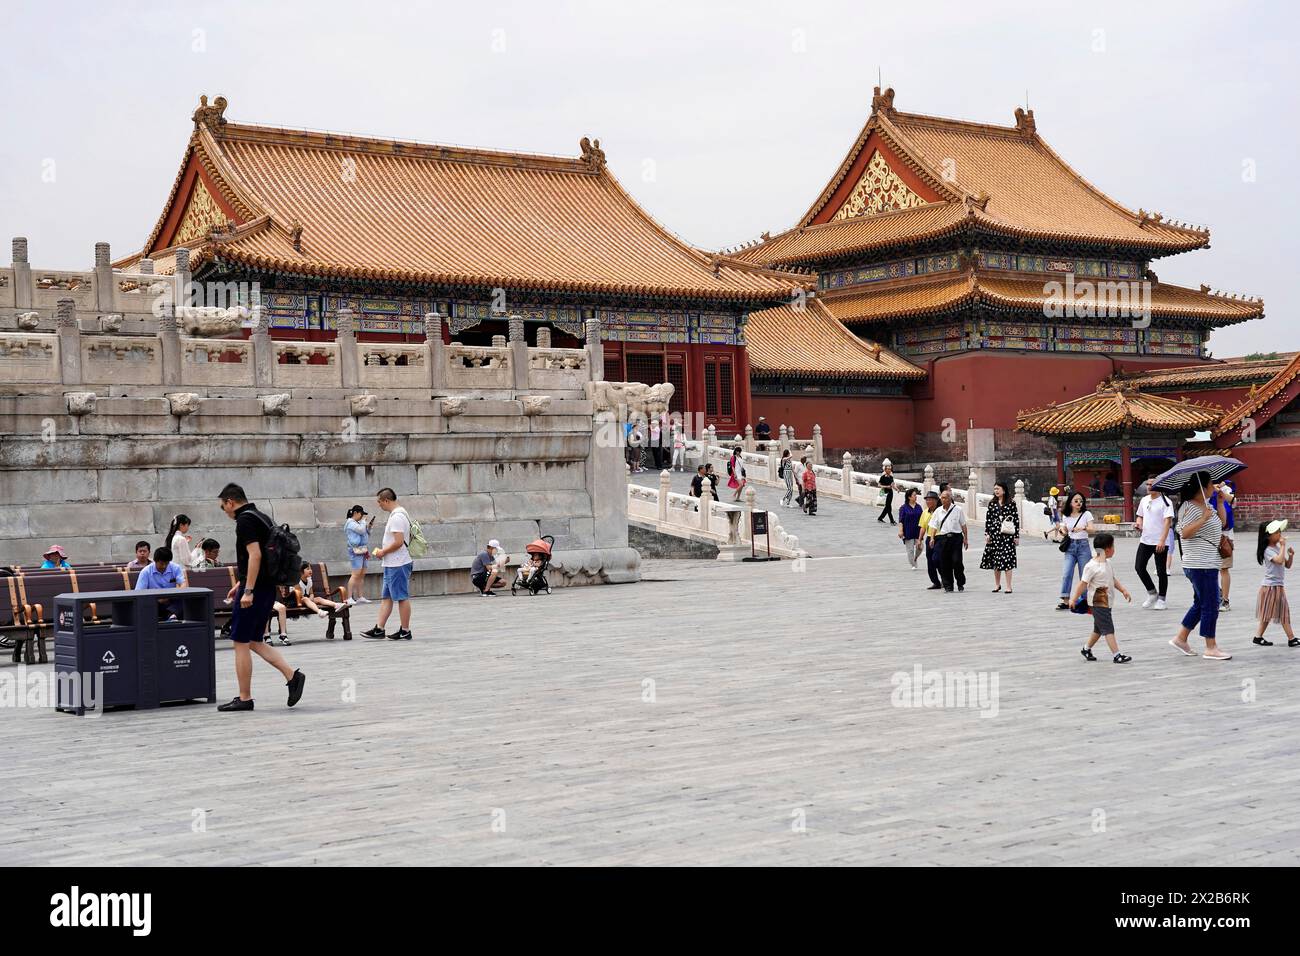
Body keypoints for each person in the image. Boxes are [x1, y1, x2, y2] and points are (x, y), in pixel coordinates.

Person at [216, 482, 305, 712]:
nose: (224, 512)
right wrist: (242, 582)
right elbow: (264, 558)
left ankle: (244, 698)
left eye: (223, 507)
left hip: (255, 591)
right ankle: (292, 676)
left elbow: (254, 556)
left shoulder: (245, 520)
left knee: (240, 642)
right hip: (266, 587)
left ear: (230, 502)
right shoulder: (261, 516)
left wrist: (248, 590)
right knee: (254, 640)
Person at [1170, 473, 1231, 661]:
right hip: (1199, 563)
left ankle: (1181, 638)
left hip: (1208, 562)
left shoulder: (1207, 505)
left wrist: (1220, 503)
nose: (1214, 487)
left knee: (1201, 603)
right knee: (1211, 605)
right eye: (1211, 484)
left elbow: (1222, 523)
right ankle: (1210, 646)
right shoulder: (1188, 507)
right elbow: (1184, 533)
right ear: (1202, 488)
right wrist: (1203, 518)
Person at [1070, 532, 1133, 664]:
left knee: (1099, 628)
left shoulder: (1107, 563)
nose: (1114, 549)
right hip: (1098, 601)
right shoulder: (1091, 566)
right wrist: (1073, 598)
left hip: (1107, 600)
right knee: (1108, 628)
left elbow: (1112, 579)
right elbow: (1083, 584)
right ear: (1107, 549)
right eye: (1113, 546)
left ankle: (1086, 649)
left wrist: (1123, 590)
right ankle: (1117, 655)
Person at [361, 488, 414, 640]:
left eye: (379, 502)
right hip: (392, 563)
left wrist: (383, 552)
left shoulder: (397, 517)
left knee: (401, 597)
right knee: (387, 597)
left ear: (386, 500)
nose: (379, 505)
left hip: (398, 563)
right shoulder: (400, 513)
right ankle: (379, 628)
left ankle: (405, 630)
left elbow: (398, 542)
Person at [1254, 520, 1297, 647]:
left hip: (1277, 586)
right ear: (1268, 536)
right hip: (1270, 587)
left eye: (1280, 532)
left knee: (1268, 614)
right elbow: (1278, 561)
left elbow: (1287, 565)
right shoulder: (1268, 550)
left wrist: (1291, 555)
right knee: (1282, 612)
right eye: (1277, 532)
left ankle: (1258, 637)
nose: (1280, 534)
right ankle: (1291, 639)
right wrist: (1283, 546)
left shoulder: (1277, 548)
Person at [1054, 493, 1096, 610]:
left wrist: (1083, 528)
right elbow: (1063, 528)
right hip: (1070, 547)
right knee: (1067, 573)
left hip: (1083, 546)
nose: (1079, 503)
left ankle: (1084, 600)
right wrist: (1063, 531)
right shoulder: (1066, 515)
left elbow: (1092, 530)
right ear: (1070, 502)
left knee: (1084, 575)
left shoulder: (1086, 514)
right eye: (1076, 500)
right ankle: (1066, 600)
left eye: (1081, 501)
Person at [1134, 487, 1173, 610]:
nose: (1149, 486)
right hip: (1145, 540)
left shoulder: (1166, 501)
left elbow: (1168, 522)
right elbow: (1140, 515)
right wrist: (1138, 523)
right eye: (1148, 483)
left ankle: (1162, 598)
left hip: (1160, 541)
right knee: (1139, 567)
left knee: (1161, 571)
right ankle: (1152, 592)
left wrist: (1162, 540)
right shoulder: (1144, 500)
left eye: (1152, 484)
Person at [980, 481, 1018, 593]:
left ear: (1004, 490)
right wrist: (987, 534)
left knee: (1007, 560)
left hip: (1007, 535)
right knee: (996, 560)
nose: (996, 491)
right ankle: (997, 584)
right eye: (995, 488)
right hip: (994, 534)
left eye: (998, 488)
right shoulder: (992, 503)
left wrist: (1016, 536)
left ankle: (1009, 586)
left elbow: (1015, 519)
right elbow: (988, 520)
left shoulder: (1011, 503)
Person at [133, 546, 185, 620]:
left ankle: (171, 616)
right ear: (155, 561)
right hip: (155, 601)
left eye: (166, 563)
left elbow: (183, 584)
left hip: (171, 599)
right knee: (148, 605)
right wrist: (156, 599)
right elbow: (139, 593)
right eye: (161, 563)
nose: (164, 566)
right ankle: (171, 616)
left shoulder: (175, 568)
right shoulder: (146, 571)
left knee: (183, 599)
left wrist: (172, 595)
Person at [932, 488, 968, 592]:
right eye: (941, 498)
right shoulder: (938, 511)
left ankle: (960, 582)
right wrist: (932, 538)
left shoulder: (958, 509)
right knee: (944, 563)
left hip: (956, 538)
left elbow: (963, 525)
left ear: (950, 498)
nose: (942, 500)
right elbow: (934, 525)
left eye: (945, 498)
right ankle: (948, 585)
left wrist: (966, 538)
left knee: (957, 561)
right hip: (943, 538)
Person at [1210, 478, 1236, 611]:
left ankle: (1225, 600)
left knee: (1224, 568)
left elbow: (1233, 502)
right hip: (1208, 536)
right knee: (1209, 570)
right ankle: (1217, 594)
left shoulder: (1227, 490)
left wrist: (1219, 491)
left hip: (1225, 536)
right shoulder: (1206, 492)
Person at [345, 505, 375, 605]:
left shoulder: (358, 523)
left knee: (361, 574)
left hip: (363, 550)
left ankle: (360, 596)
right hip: (355, 551)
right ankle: (349, 597)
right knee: (355, 575)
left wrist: (369, 527)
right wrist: (363, 522)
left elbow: (365, 532)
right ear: (356, 513)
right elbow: (361, 530)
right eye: (361, 514)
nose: (362, 517)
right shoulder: (350, 523)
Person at [920, 490, 942, 590]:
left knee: (937, 559)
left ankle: (945, 578)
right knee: (930, 561)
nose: (928, 502)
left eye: (930, 500)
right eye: (927, 500)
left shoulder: (941, 511)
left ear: (936, 501)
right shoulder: (925, 512)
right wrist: (919, 539)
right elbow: (923, 527)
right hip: (929, 538)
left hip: (940, 537)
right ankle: (935, 582)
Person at [897, 488, 923, 569]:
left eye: (916, 495)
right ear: (909, 497)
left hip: (918, 531)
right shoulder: (903, 508)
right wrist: (901, 531)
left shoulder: (919, 507)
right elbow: (901, 520)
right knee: (910, 550)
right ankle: (913, 564)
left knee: (920, 547)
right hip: (908, 531)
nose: (916, 497)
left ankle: (915, 558)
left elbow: (922, 519)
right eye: (914, 495)